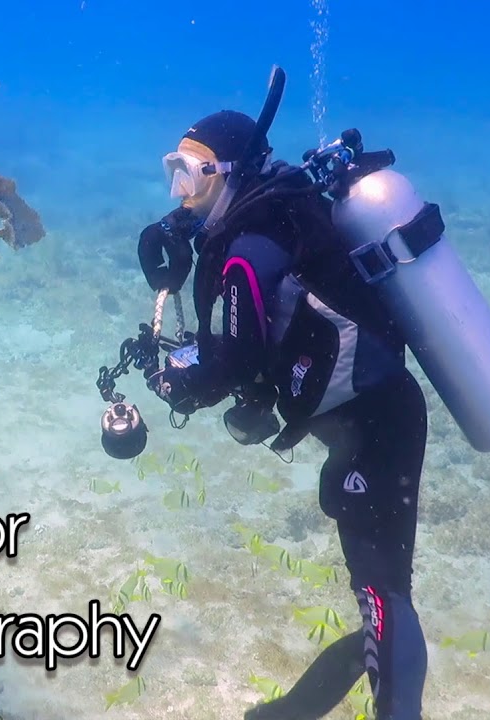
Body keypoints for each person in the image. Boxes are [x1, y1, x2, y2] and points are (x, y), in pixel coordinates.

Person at [136, 110, 429, 719]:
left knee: (383, 599)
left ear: (227, 173)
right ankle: (286, 716)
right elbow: (266, 336)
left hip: (374, 432)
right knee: (381, 597)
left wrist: (179, 382)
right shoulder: (275, 219)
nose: (180, 193)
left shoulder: (247, 251)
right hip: (383, 418)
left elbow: (238, 363)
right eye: (174, 173)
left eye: (189, 175)